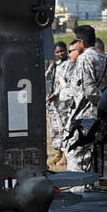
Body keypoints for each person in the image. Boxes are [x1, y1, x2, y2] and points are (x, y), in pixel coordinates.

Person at [65, 24, 107, 173]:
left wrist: (100, 104)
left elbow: (90, 90)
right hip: (97, 116)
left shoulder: (84, 58)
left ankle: (78, 186)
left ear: (82, 42)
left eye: (76, 41)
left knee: (76, 156)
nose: (75, 44)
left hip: (84, 115)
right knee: (93, 157)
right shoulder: (103, 57)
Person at [46, 41, 69, 170]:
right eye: (57, 52)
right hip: (54, 104)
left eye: (62, 51)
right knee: (55, 128)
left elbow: (66, 82)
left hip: (63, 102)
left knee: (64, 128)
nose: (60, 54)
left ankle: (66, 155)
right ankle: (58, 153)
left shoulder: (70, 64)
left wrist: (56, 93)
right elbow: (47, 77)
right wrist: (52, 66)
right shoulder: (56, 64)